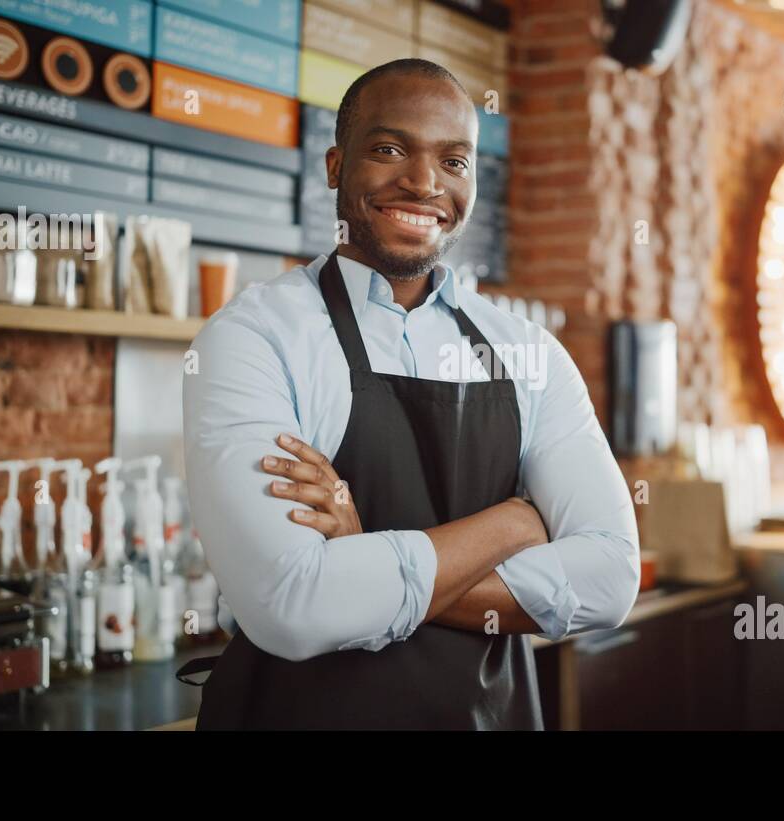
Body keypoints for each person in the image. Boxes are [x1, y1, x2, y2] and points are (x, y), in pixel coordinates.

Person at [179, 59, 639, 729]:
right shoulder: (253, 338)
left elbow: (610, 579)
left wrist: (367, 553)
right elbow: (294, 602)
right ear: (336, 165)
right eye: (390, 149)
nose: (424, 182)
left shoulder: (529, 351)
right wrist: (513, 523)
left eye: (454, 161)